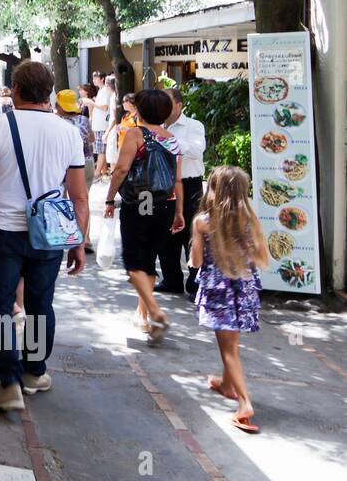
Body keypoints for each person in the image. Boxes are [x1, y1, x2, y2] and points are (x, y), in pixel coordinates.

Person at [0, 61, 88, 412]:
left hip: (2, 232)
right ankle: (34, 372)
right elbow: (78, 196)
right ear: (48, 92)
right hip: (49, 233)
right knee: (40, 303)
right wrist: (78, 241)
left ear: (15, 88)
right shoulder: (68, 132)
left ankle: (9, 382)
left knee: (0, 306)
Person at [102, 89, 184, 344]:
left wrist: (109, 198)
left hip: (141, 202)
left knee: (133, 262)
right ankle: (143, 316)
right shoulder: (172, 139)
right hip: (165, 204)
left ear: (140, 110)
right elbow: (177, 179)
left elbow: (121, 169)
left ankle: (155, 311)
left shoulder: (135, 134)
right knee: (148, 260)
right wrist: (179, 211)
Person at [191, 166, 269, 434]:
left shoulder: (203, 221)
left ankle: (244, 404)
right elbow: (261, 258)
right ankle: (226, 384)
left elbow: (196, 262)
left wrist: (196, 243)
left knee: (228, 349)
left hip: (218, 291)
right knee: (231, 343)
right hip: (243, 289)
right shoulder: (249, 220)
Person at [159, 87, 206, 296]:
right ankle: (171, 280)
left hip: (189, 185)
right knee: (166, 234)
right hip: (164, 185)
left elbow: (196, 151)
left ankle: (196, 282)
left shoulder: (193, 125)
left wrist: (167, 138)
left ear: (179, 104)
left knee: (192, 233)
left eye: (167, 102)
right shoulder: (156, 125)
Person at [56, 89, 94, 187]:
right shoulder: (84, 120)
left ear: (61, 107)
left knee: (62, 199)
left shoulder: (58, 123)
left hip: (67, 164)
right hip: (87, 162)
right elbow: (92, 139)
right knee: (83, 199)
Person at [90, 72, 112, 177]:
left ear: (102, 79)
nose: (94, 80)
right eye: (93, 78)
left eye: (96, 78)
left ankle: (97, 173)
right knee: (100, 150)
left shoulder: (104, 91)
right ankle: (103, 172)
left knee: (101, 150)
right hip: (99, 125)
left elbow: (104, 107)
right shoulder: (101, 90)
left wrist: (91, 103)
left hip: (102, 125)